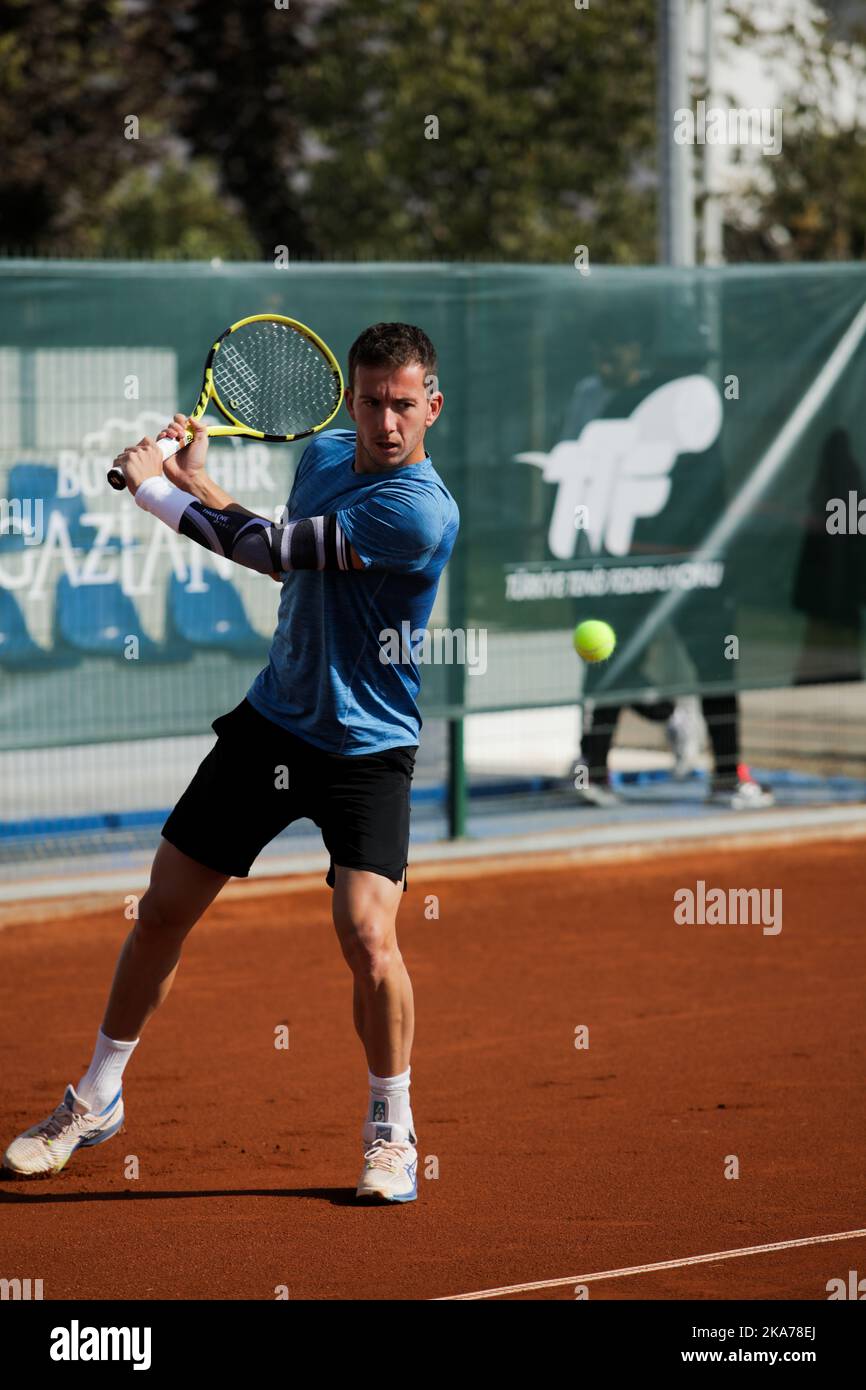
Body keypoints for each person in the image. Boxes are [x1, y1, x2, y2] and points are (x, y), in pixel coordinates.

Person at [2, 322, 459, 1205]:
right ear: (354, 399)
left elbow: (274, 550)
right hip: (274, 722)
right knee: (164, 907)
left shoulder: (419, 508)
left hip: (368, 744)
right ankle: (95, 1098)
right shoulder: (327, 456)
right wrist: (195, 479)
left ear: (430, 405)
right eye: (372, 401)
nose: (387, 421)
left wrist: (151, 495)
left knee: (368, 934)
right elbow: (290, 552)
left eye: (405, 404)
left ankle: (391, 1129)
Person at [564, 325, 772, 810]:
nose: (696, 372)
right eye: (687, 362)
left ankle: (720, 775)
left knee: (701, 668)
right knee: (619, 663)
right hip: (647, 565)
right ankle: (597, 771)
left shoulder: (685, 410)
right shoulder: (644, 408)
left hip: (685, 570)